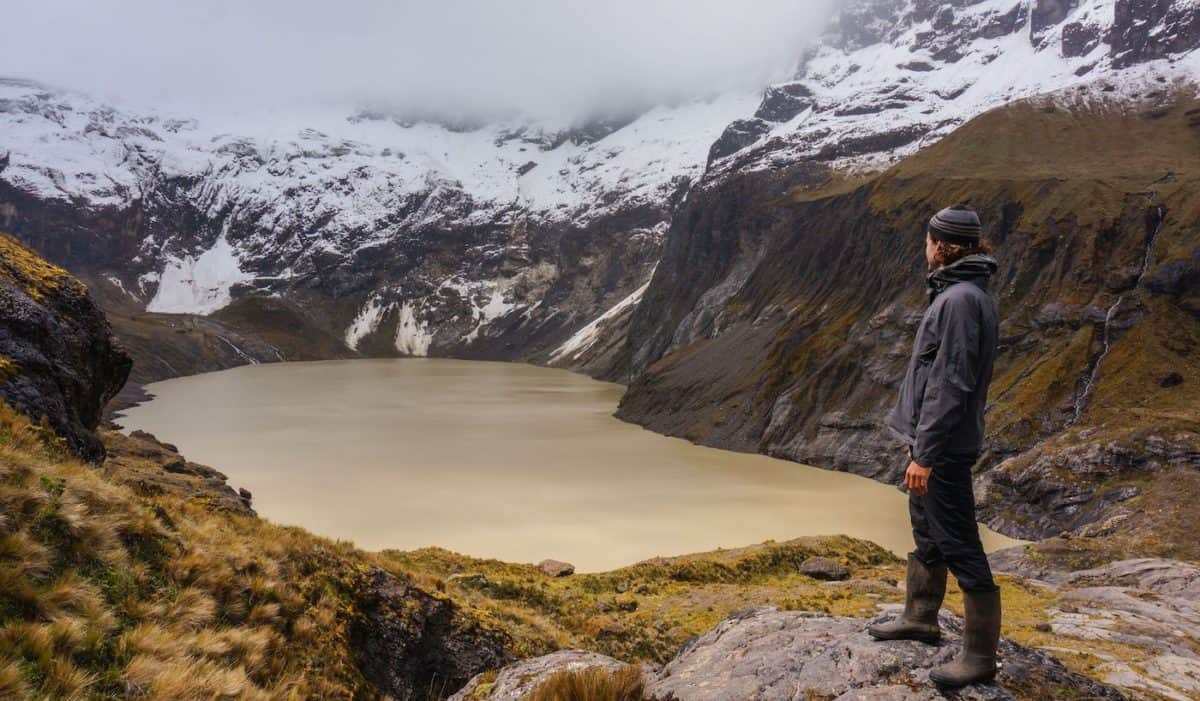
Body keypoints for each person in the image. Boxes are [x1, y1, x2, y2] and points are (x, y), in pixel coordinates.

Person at [868, 204, 1002, 688]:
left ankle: (979, 658)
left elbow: (950, 381)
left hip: (942, 448)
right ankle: (921, 617)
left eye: (928, 240)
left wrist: (926, 452)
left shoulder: (960, 300)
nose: (924, 247)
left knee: (960, 541)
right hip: (933, 441)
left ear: (942, 245)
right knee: (928, 530)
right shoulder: (958, 293)